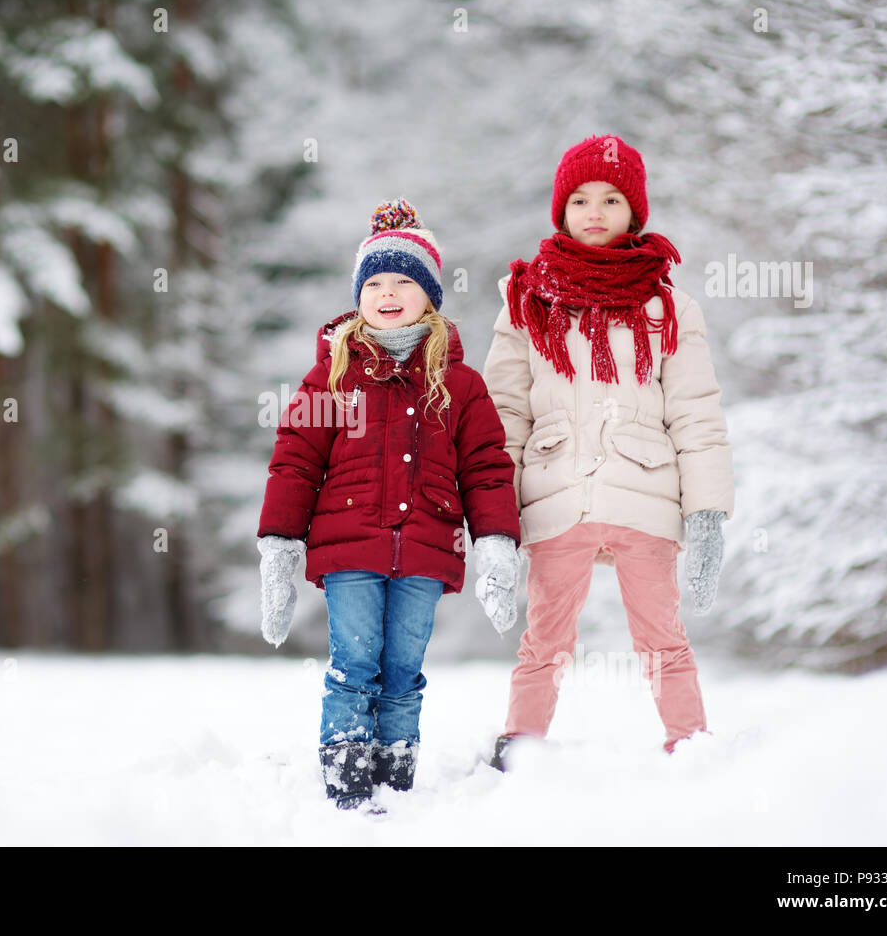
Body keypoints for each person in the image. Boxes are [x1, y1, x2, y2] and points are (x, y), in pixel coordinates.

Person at [257, 198, 523, 812]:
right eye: (374, 283)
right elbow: (295, 460)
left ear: (430, 294)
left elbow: (486, 467)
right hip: (349, 547)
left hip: (427, 551)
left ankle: (394, 781)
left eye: (404, 281)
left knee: (403, 670)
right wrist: (279, 546)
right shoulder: (333, 376)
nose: (388, 293)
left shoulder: (459, 384)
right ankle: (348, 784)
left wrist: (495, 542)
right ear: (359, 295)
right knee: (355, 662)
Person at [481, 135, 734, 766]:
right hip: (554, 495)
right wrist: (494, 523)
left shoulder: (668, 306)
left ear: (634, 212)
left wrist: (706, 513)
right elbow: (503, 414)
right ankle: (521, 744)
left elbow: (697, 415)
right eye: (581, 199)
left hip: (645, 495)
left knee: (662, 637)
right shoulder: (525, 302)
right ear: (562, 212)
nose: (595, 211)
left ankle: (689, 743)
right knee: (543, 638)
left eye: (612, 199)